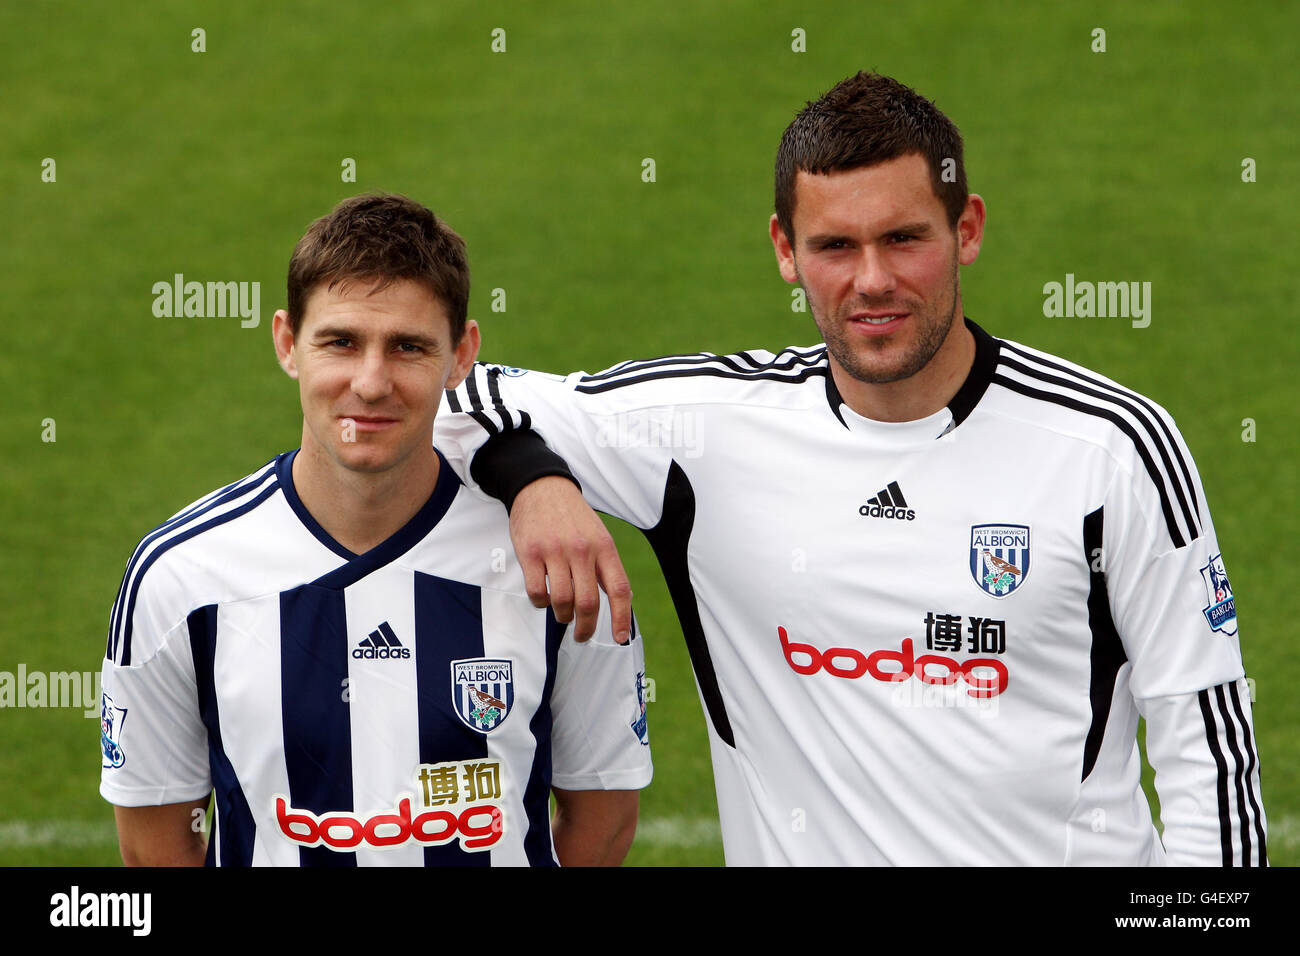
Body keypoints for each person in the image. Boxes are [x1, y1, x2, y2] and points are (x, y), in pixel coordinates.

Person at [434, 72, 1266, 865]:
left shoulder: (1110, 448)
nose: (873, 281)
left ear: (966, 229)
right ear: (785, 252)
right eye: (835, 246)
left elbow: (1206, 742)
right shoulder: (704, 431)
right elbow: (444, 394)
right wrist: (536, 479)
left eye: (904, 238)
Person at [100, 194, 651, 867]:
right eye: (340, 341)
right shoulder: (179, 576)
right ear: (286, 343)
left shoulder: (555, 561)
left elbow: (603, 820)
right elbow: (154, 842)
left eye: (408, 347)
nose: (370, 382)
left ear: (462, 354)